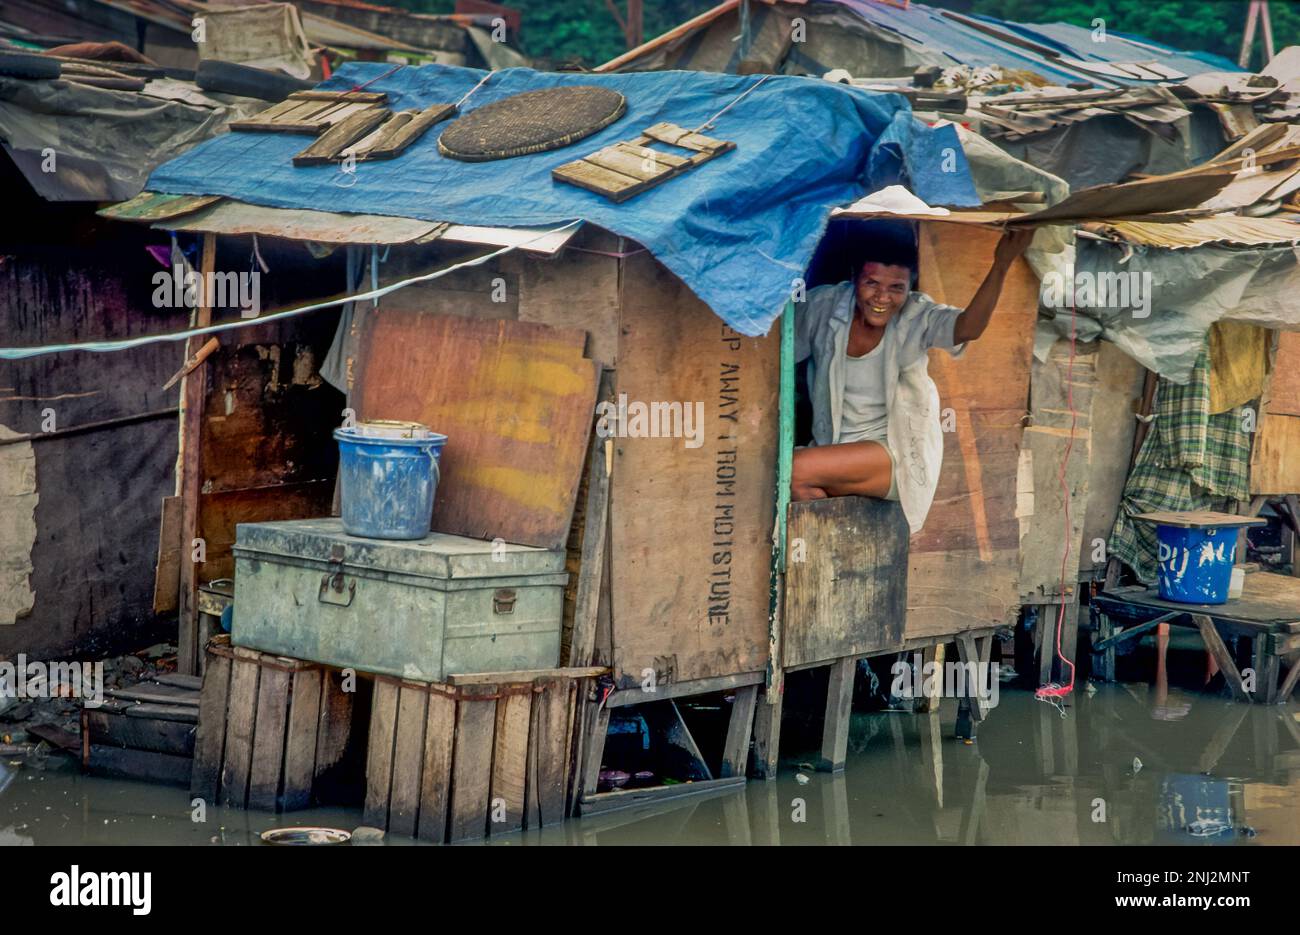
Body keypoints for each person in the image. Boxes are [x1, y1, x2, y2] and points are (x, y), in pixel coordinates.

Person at [790, 227, 1034, 532]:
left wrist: (1001, 264)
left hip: (893, 454)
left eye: (896, 287)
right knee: (797, 488)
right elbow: (778, 346)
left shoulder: (917, 315)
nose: (882, 297)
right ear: (854, 277)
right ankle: (831, 567)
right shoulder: (823, 307)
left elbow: (967, 328)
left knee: (795, 469)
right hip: (834, 449)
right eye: (871, 283)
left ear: (910, 287)